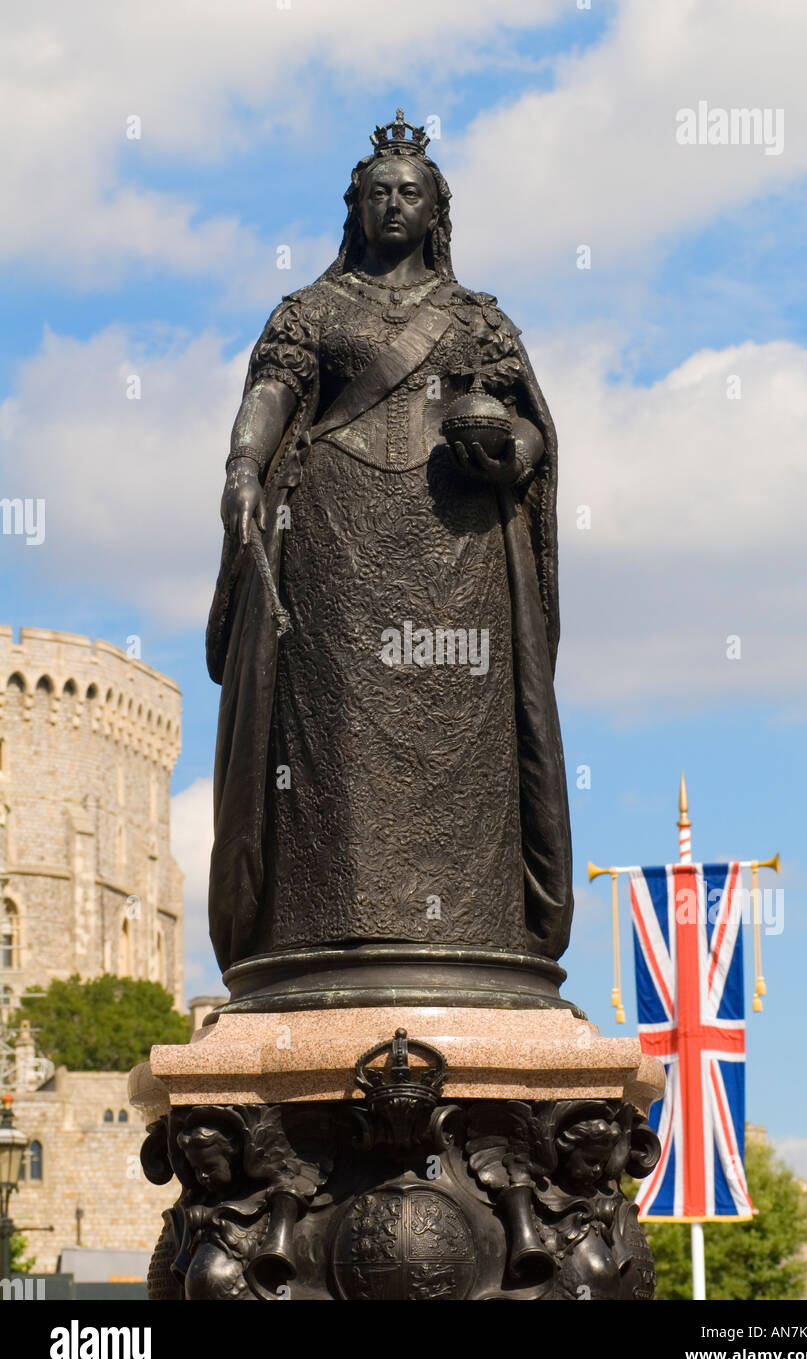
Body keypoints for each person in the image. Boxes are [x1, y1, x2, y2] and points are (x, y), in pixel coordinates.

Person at [206, 112, 573, 1001]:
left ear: (437, 208)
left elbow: (531, 428)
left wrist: (512, 452)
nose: (394, 205)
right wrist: (244, 467)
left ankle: (476, 927)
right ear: (356, 209)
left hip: (459, 548)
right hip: (336, 537)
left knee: (465, 740)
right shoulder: (311, 312)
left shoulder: (477, 320)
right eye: (378, 193)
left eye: (411, 192)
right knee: (333, 730)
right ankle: (325, 924)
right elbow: (272, 392)